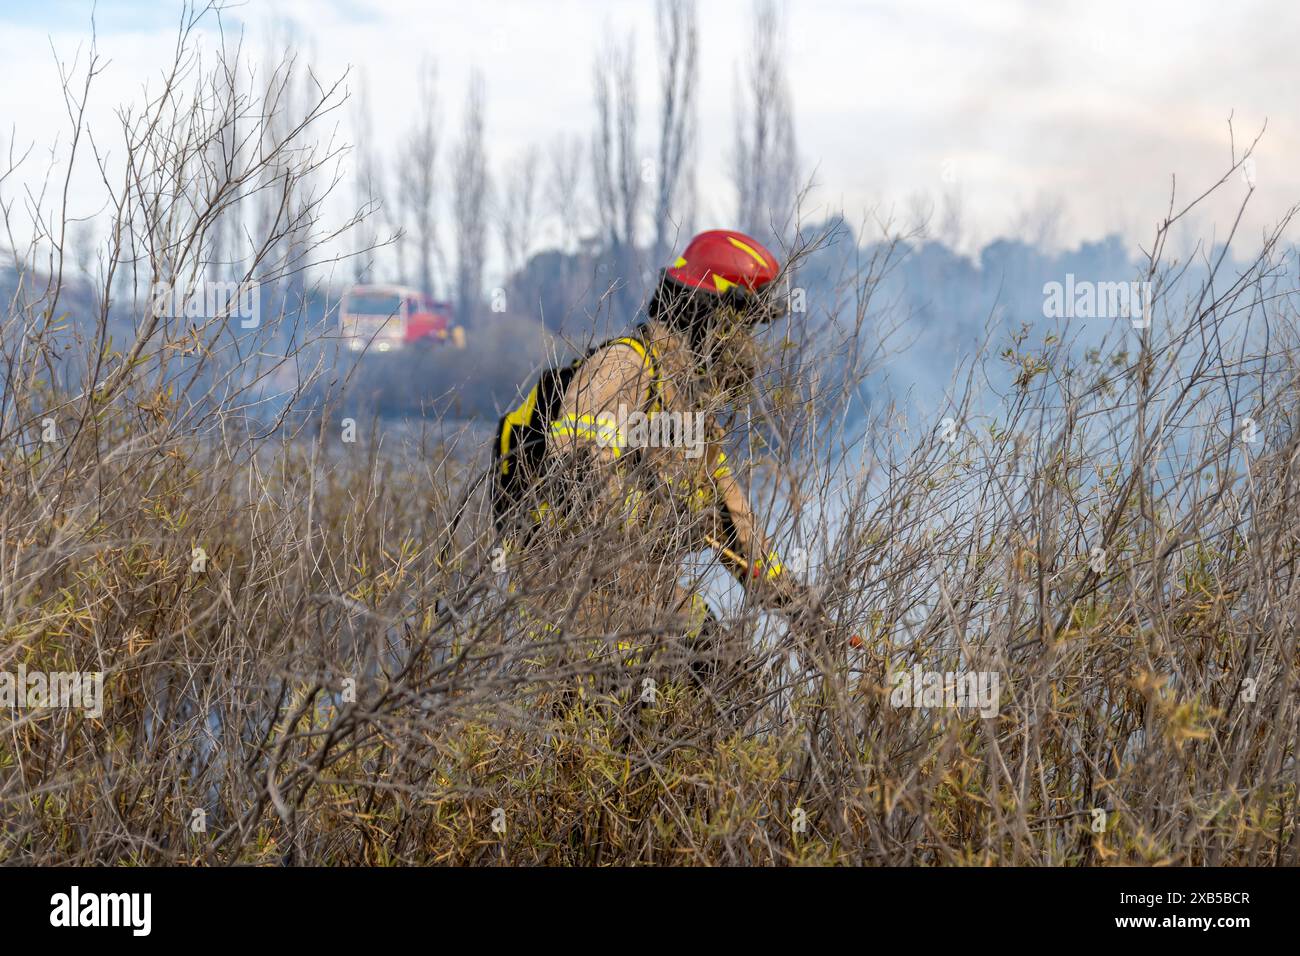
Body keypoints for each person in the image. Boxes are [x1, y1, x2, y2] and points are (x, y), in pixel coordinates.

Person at [492, 229, 819, 683]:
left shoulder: (692, 413)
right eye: (742, 326)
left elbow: (736, 528)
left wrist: (800, 609)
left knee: (726, 673)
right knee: (713, 671)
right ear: (708, 315)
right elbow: (576, 467)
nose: (750, 347)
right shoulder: (625, 367)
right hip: (570, 585)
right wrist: (638, 517)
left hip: (635, 590)